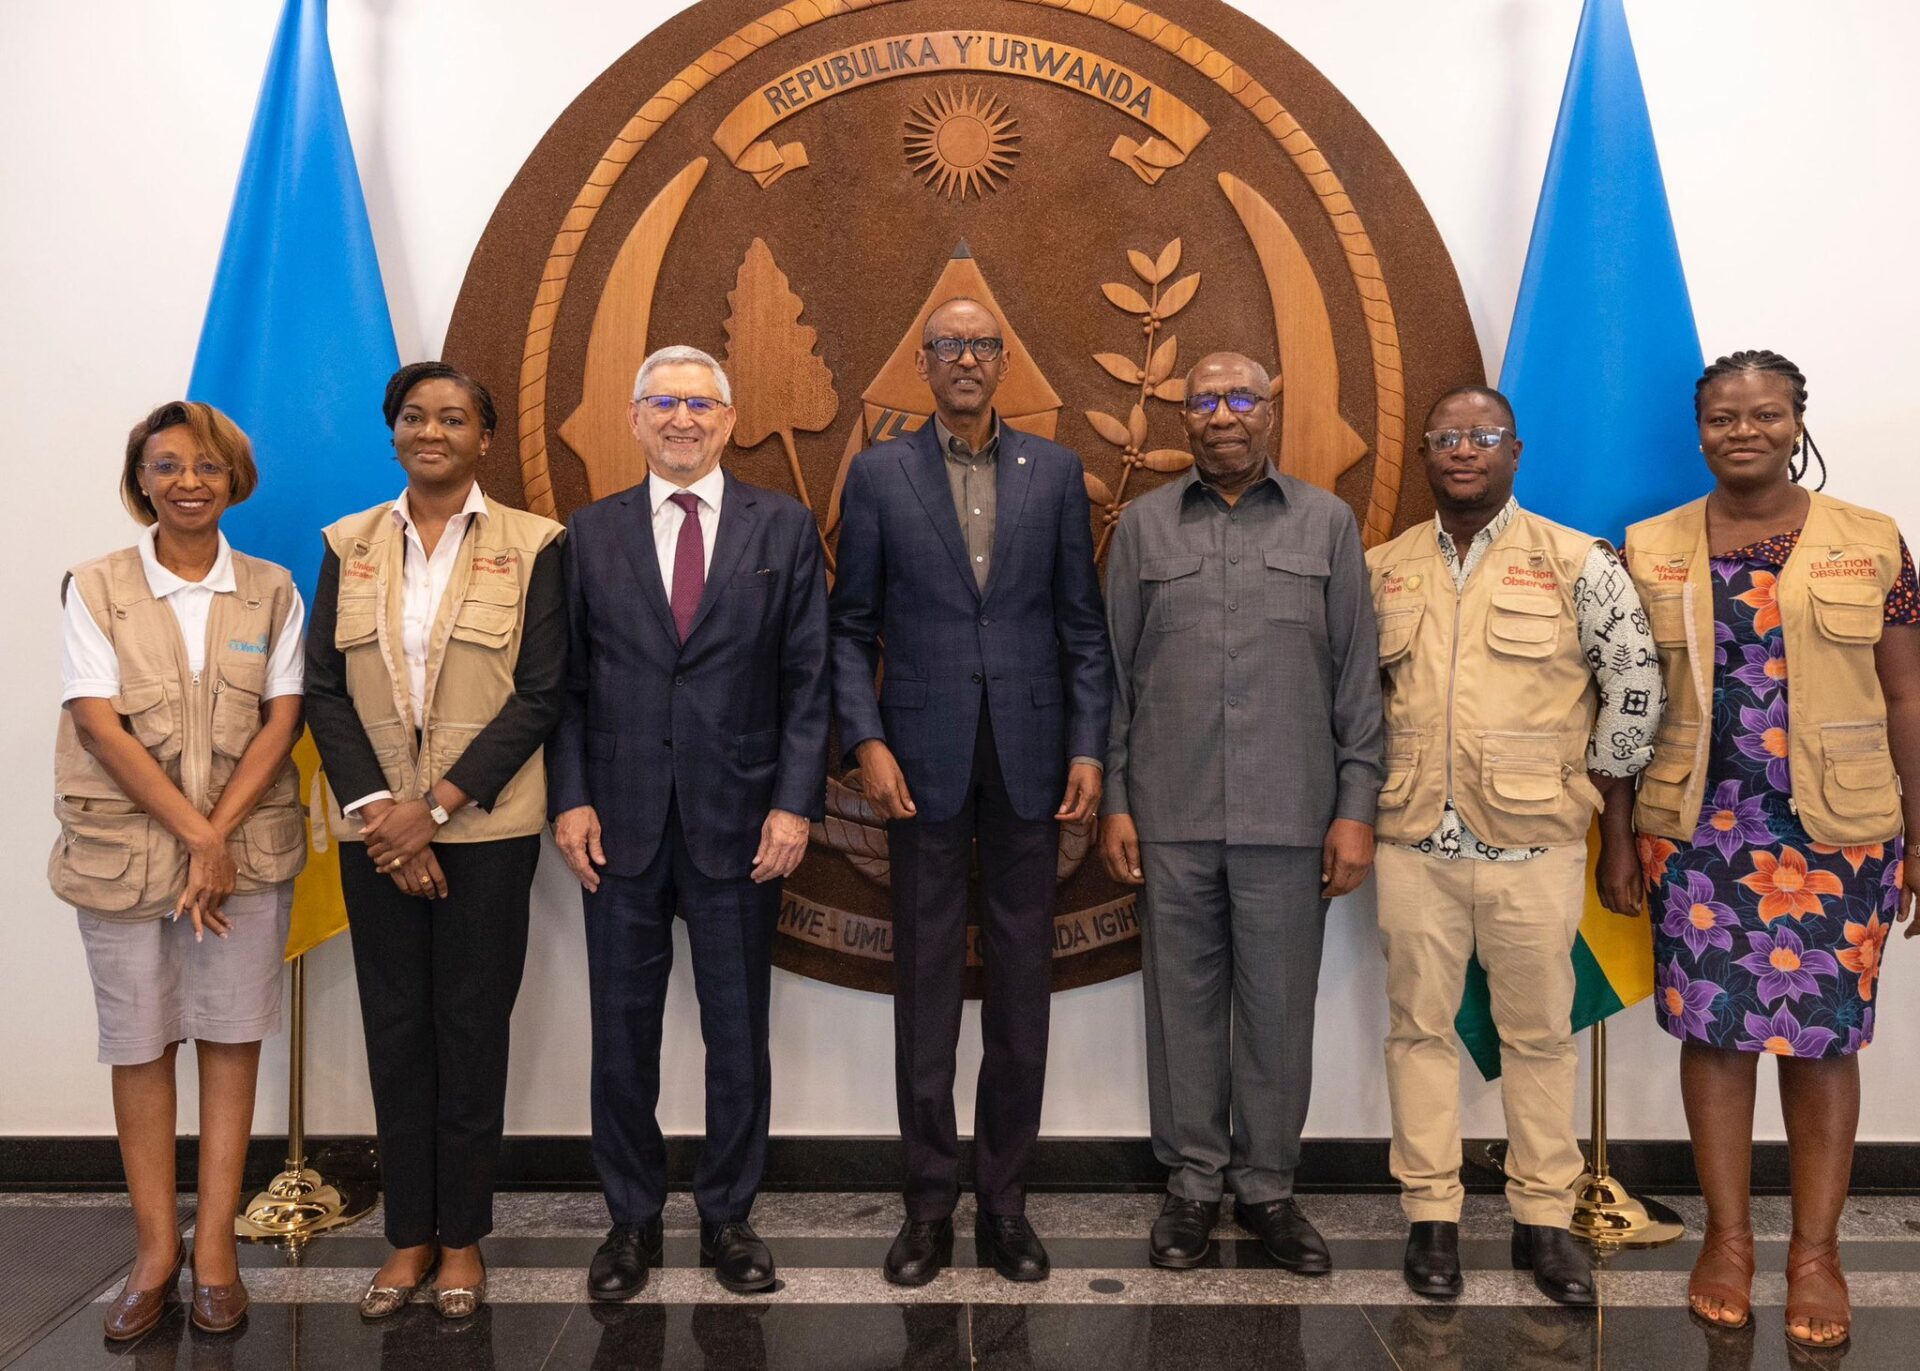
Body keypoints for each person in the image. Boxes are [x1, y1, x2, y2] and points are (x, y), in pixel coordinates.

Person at [1623, 351, 1920, 1349]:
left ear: (1798, 421)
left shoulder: (1871, 541)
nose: (1742, 431)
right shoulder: (1647, 547)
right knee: (1714, 1034)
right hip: (1698, 829)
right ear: (1699, 428)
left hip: (1838, 833)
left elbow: (1908, 695)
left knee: (1824, 1040)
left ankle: (1816, 1255)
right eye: (1721, 417)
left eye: (1763, 414)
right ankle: (1729, 1241)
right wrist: (1619, 832)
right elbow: (1625, 699)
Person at [830, 298, 1110, 1285]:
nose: (965, 359)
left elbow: (1082, 626)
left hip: (1033, 760)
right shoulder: (879, 474)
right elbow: (847, 628)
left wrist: (1089, 746)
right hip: (917, 764)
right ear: (923, 360)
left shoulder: (1056, 473)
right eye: (948, 345)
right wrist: (865, 741)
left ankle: (1005, 1203)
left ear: (1002, 361)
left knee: (1023, 989)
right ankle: (927, 1205)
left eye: (982, 345)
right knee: (926, 990)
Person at [1366, 386, 1663, 1306]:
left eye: (1483, 435)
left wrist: (1605, 814)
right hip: (1412, 838)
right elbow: (1350, 703)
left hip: (1535, 846)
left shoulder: (1578, 562)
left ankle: (1543, 1217)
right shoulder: (1381, 568)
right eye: (1447, 437)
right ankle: (1431, 1216)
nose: (1465, 450)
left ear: (1515, 451)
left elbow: (1636, 688)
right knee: (1418, 1031)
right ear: (1425, 453)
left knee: (1539, 1036)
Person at [550, 345, 828, 1298]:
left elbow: (808, 681)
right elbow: (566, 686)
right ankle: (630, 1222)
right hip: (617, 824)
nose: (682, 418)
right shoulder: (588, 534)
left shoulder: (783, 527)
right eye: (664, 402)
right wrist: (570, 797)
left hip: (741, 821)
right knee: (621, 1034)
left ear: (729, 419)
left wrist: (794, 802)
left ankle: (729, 1218)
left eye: (700, 404)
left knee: (736, 1031)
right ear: (634, 417)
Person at [1099, 352, 1382, 1273]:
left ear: (1271, 408)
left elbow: (1356, 680)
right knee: (1180, 1009)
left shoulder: (1327, 523)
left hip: (1291, 817)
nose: (1222, 414)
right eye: (1204, 401)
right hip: (1169, 814)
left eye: (1241, 397)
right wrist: (1115, 801)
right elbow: (1113, 678)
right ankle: (1190, 1185)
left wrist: (1355, 808)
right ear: (1183, 417)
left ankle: (1267, 1187)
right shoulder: (1144, 527)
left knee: (1277, 1011)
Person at [305, 362, 567, 1320]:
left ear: (483, 438)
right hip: (377, 830)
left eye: (453, 418)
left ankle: (462, 1239)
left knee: (470, 1028)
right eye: (414, 416)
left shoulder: (537, 545)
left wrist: (438, 808)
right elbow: (324, 688)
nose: (432, 431)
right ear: (393, 432)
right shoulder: (347, 543)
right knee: (396, 1031)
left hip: (488, 828)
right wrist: (388, 812)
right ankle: (407, 1237)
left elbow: (542, 691)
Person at [55, 401, 306, 1338]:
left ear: (234, 477)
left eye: (206, 465)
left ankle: (217, 1252)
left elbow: (283, 720)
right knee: (141, 1043)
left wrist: (217, 837)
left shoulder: (273, 590)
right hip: (124, 861)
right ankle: (156, 1251)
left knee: (231, 1039)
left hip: (243, 857)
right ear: (141, 480)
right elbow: (97, 722)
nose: (188, 482)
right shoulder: (95, 586)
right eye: (166, 466)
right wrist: (199, 836)